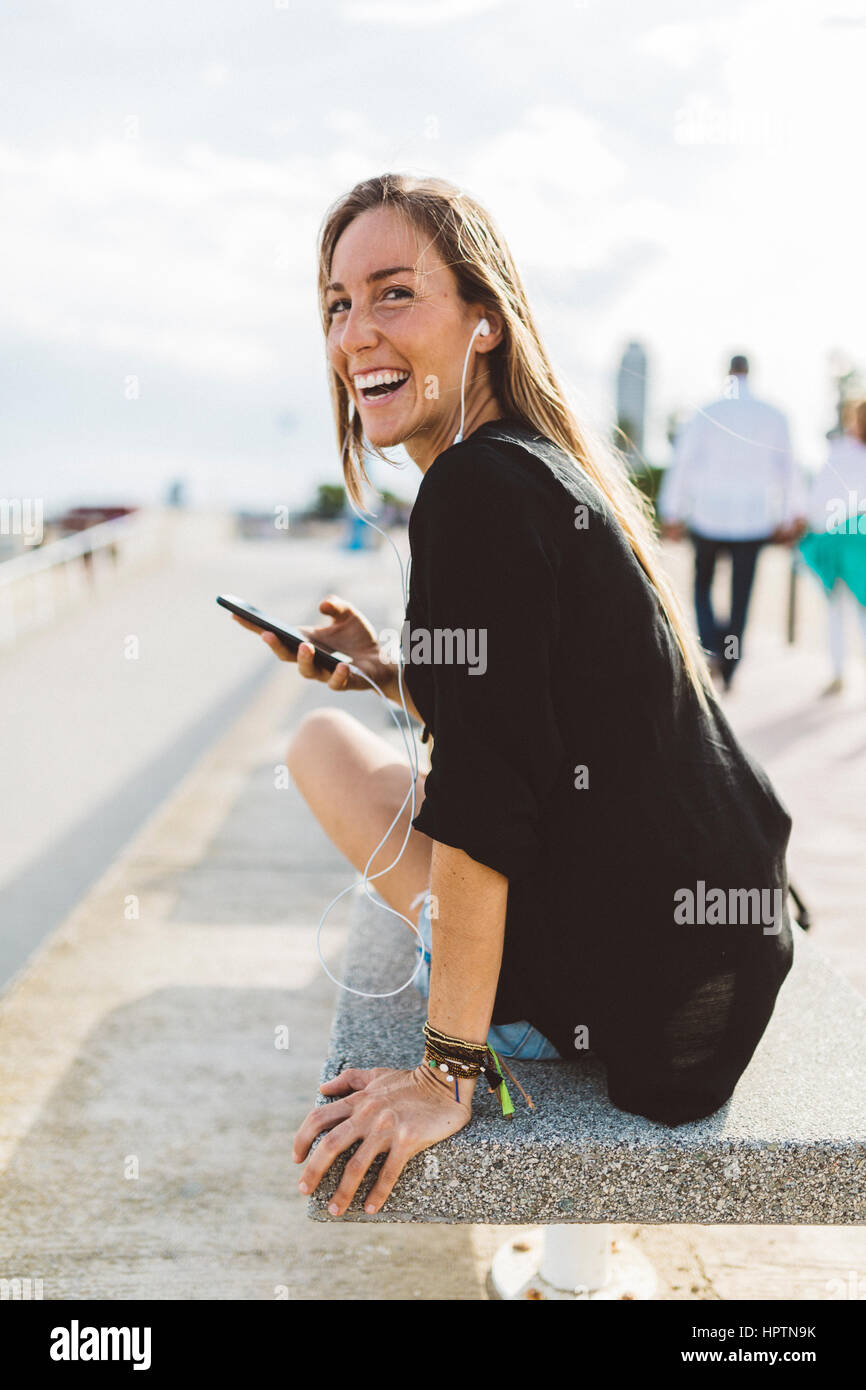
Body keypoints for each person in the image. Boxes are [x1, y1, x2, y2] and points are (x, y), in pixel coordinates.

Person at [233, 175, 795, 1218]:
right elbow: (549, 704)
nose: (357, 331)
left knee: (318, 746)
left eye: (393, 292)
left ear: (482, 318)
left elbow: (485, 796)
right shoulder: (540, 471)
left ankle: (493, 1017)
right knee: (341, 726)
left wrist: (446, 1072)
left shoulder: (470, 490)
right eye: (336, 305)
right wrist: (395, 670)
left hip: (640, 1004)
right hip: (718, 965)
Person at [659, 356, 806, 690]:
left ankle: (710, 643)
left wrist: (672, 513)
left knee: (702, 585)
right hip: (752, 520)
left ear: (727, 372)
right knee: (742, 596)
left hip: (708, 516)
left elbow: (682, 464)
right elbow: (788, 467)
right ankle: (729, 664)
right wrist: (791, 515)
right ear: (750, 372)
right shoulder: (774, 415)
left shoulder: (705, 412)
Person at [798, 399, 866, 694]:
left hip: (838, 537)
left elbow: (817, 500)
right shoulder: (840, 452)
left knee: (837, 606)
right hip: (853, 538)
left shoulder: (839, 452)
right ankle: (841, 672)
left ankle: (839, 672)